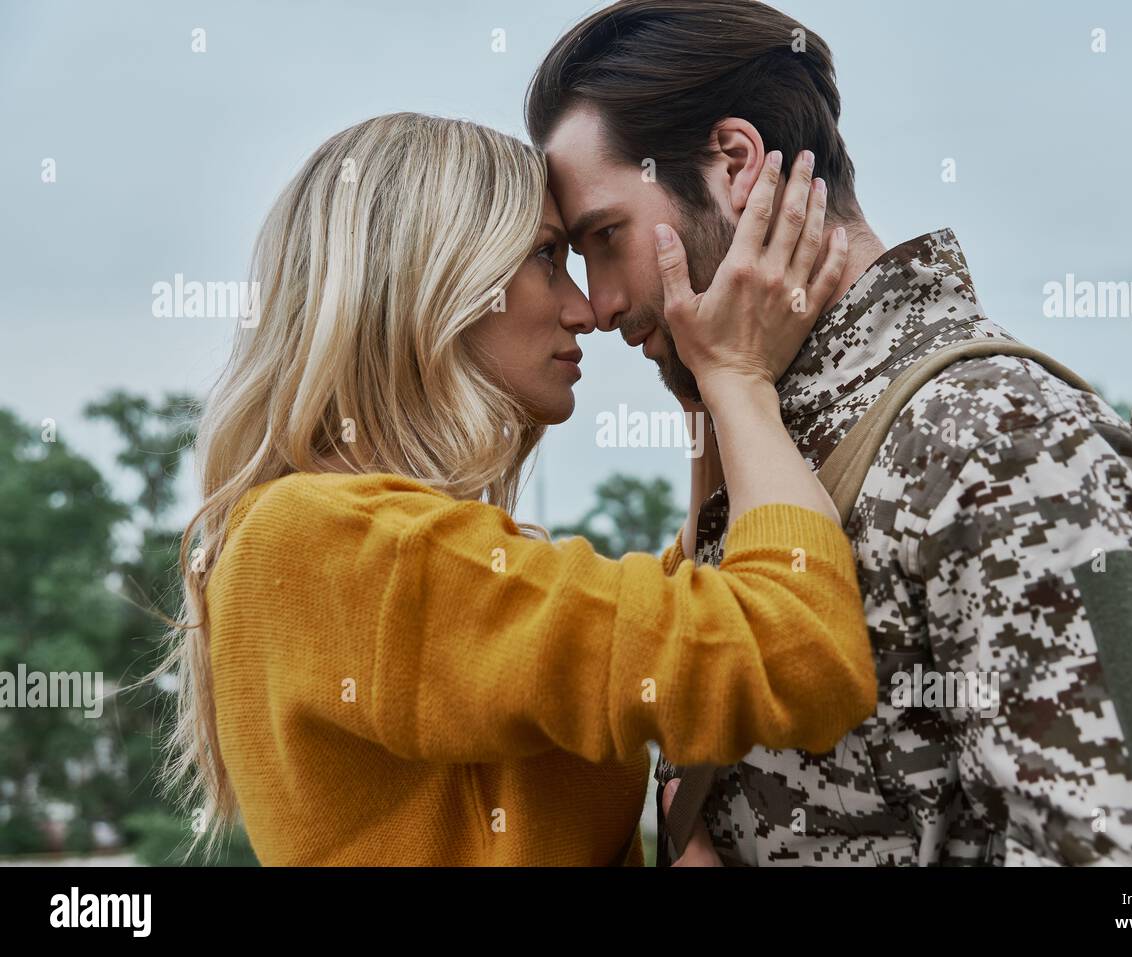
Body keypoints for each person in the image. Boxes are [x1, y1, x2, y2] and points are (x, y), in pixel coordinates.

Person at [527, 0, 1132, 865]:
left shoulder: (993, 436)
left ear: (734, 163)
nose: (600, 302)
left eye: (605, 237)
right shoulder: (764, 432)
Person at [158, 112, 878, 865]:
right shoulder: (334, 543)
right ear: (428, 277)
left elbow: (681, 615)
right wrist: (740, 378)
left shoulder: (335, 543)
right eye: (547, 256)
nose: (584, 307)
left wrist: (702, 383)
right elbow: (797, 652)